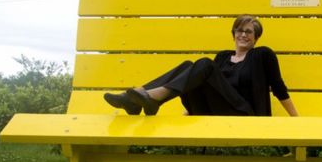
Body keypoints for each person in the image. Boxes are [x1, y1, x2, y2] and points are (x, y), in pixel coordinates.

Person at [104, 15, 298, 117]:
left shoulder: (262, 54)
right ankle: (136, 98)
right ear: (233, 34)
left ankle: (149, 98)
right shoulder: (222, 57)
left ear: (256, 38)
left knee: (204, 64)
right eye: (239, 31)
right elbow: (203, 82)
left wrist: (296, 120)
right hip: (212, 109)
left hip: (244, 113)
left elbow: (278, 87)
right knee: (189, 65)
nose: (243, 35)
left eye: (249, 32)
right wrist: (190, 110)